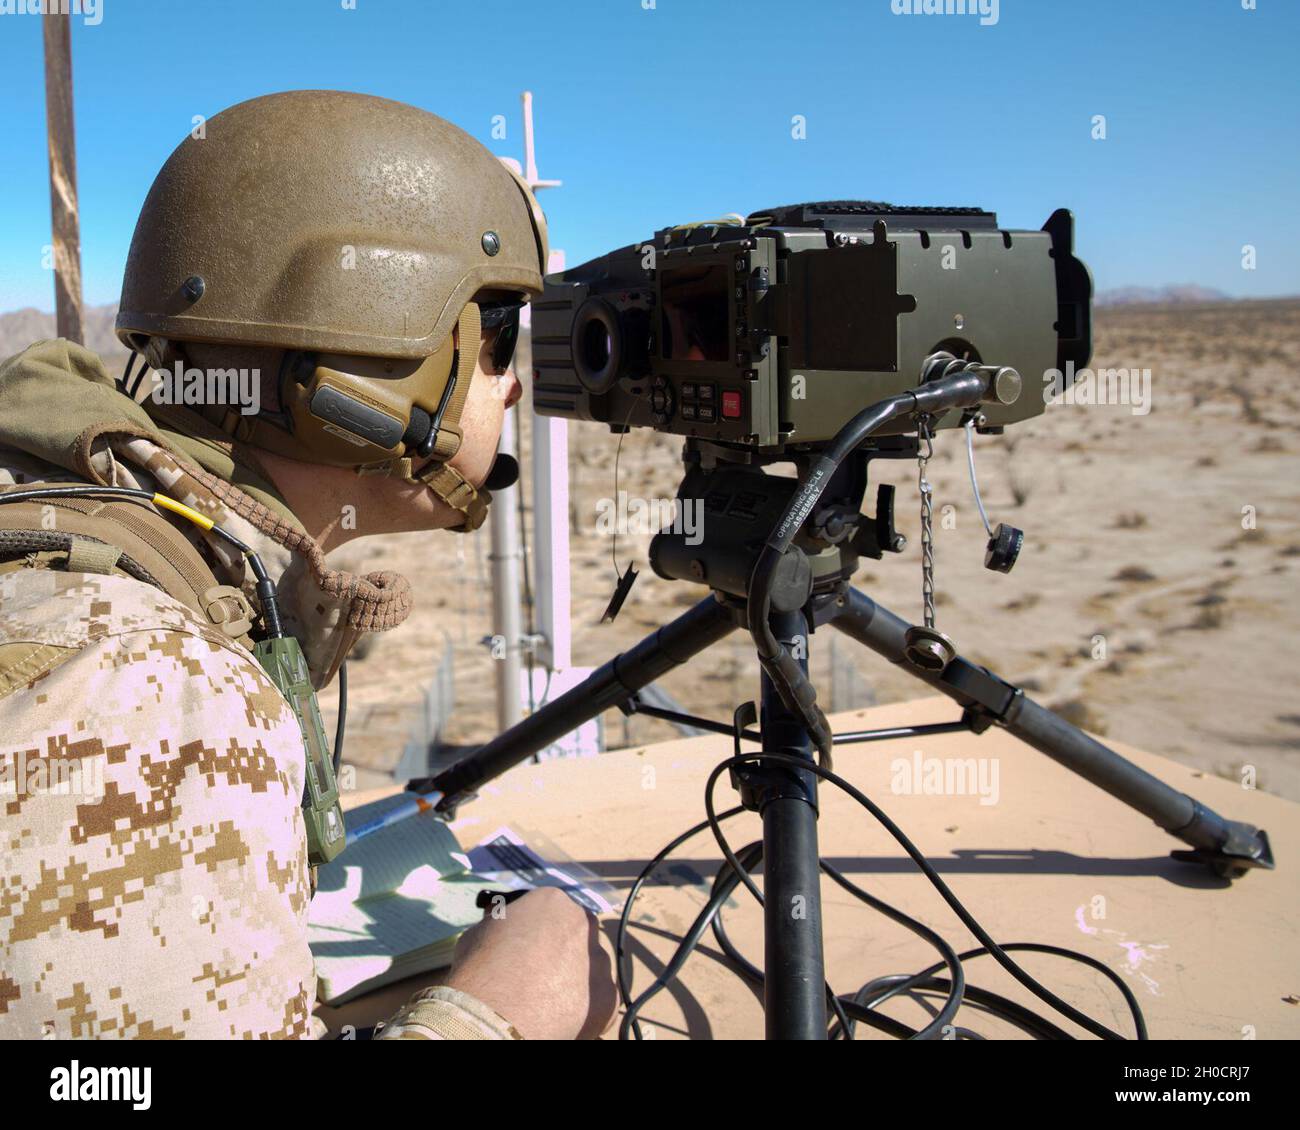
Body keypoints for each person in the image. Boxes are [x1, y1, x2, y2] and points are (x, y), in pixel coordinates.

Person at [0, 90, 616, 1040]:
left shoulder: (109, 523)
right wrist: (502, 1011)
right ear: (367, 372)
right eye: (494, 337)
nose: (515, 380)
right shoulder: (155, 692)